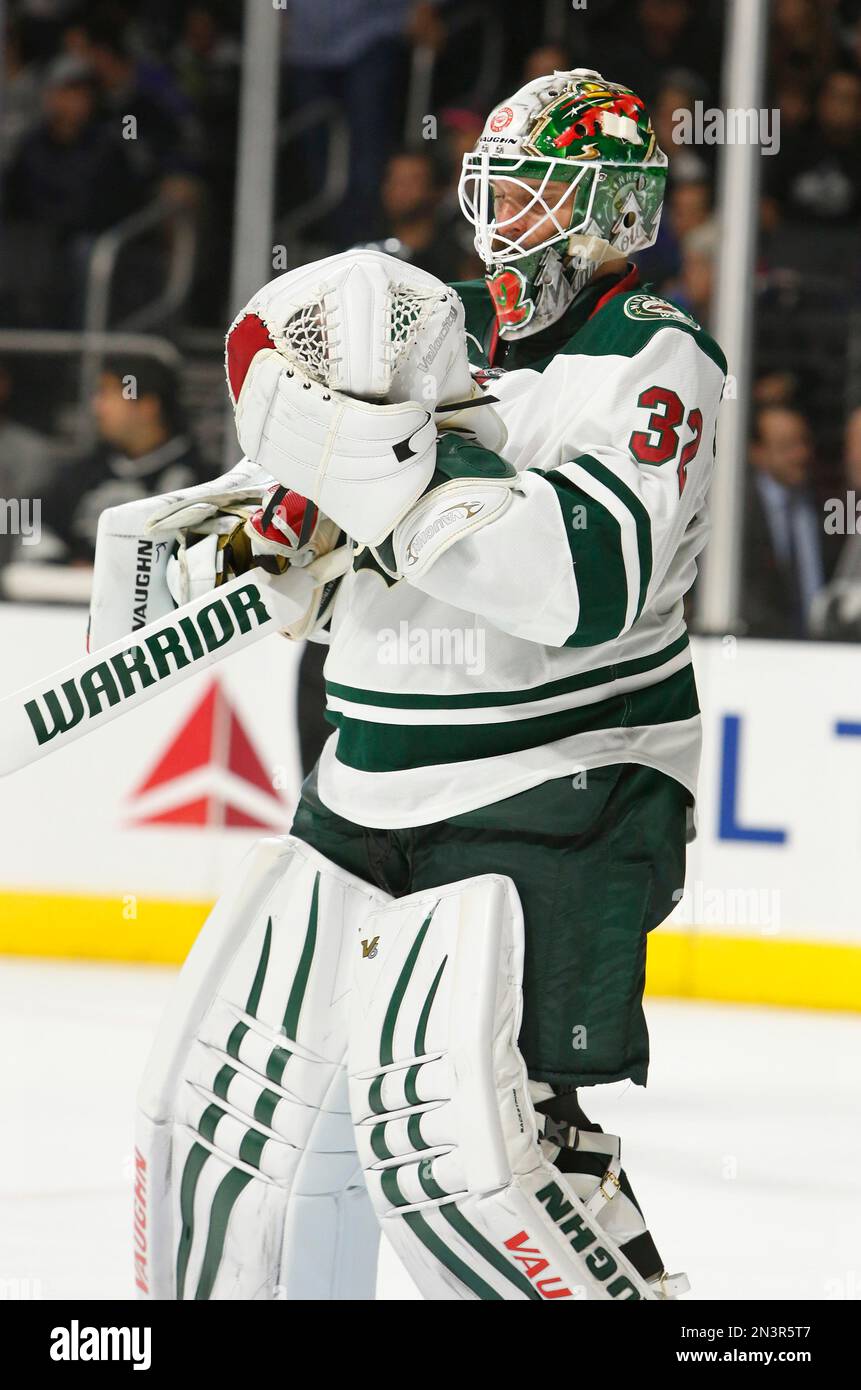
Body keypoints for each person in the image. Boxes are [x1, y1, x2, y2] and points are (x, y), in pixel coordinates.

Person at [109, 69, 726, 1301]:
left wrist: (386, 469)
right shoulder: (421, 322)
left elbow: (580, 585)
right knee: (233, 1120)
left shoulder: (653, 361)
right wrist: (278, 529)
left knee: (478, 1158)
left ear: (612, 208)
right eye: (495, 192)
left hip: (557, 791)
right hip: (364, 785)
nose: (503, 224)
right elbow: (321, 545)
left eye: (537, 196)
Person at [40, 356, 210, 564]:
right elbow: (40, 541)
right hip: (73, 594)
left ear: (148, 406)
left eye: (108, 394)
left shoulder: (205, 483)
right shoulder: (80, 475)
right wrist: (66, 566)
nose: (97, 407)